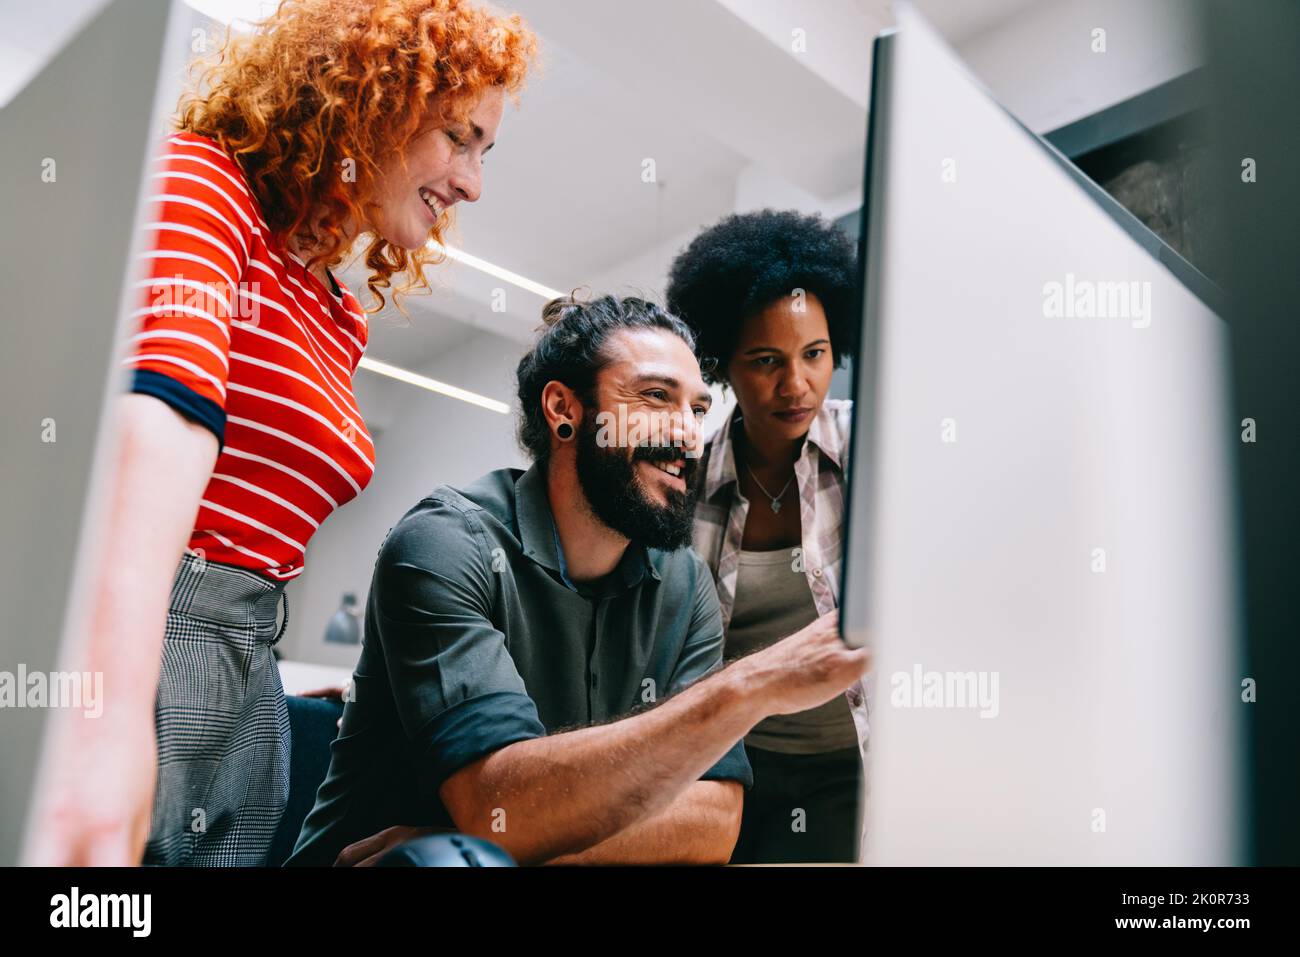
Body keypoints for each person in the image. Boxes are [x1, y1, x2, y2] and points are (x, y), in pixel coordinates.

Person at [26, 0, 537, 867]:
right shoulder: (205, 185)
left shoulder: (337, 314)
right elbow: (160, 418)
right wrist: (104, 716)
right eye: (458, 135)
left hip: (250, 675)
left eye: (486, 149)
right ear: (372, 101)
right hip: (150, 640)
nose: (472, 181)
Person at [286, 295, 869, 866]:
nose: (689, 436)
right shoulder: (447, 542)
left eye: (696, 409)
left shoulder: (683, 582)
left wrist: (509, 848)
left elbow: (714, 821)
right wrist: (752, 685)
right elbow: (501, 813)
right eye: (655, 397)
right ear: (564, 409)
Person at [666, 209, 867, 863]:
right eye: (765, 361)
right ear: (722, 366)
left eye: (815, 354)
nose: (796, 384)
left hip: (863, 761)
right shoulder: (684, 481)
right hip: (737, 769)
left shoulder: (880, 449)